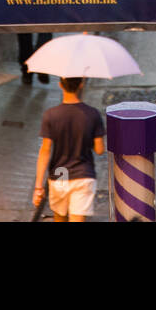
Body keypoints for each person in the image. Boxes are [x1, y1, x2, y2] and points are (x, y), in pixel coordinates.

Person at [33, 77, 105, 222]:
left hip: (60, 175)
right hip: (84, 174)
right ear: (81, 85)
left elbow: (45, 150)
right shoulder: (93, 114)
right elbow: (99, 150)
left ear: (60, 85)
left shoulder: (51, 115)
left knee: (59, 217)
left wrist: (38, 186)